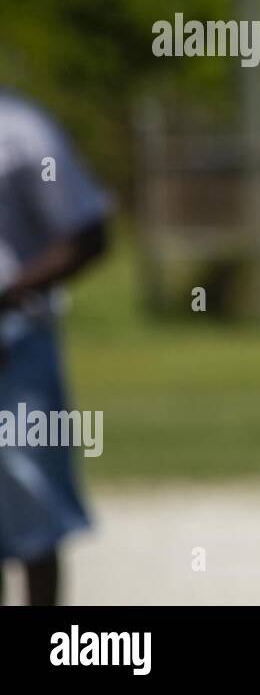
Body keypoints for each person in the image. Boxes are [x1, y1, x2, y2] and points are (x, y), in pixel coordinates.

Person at [0, 89, 111, 605]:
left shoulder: (19, 129)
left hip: (14, 346)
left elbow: (88, 230)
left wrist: (12, 292)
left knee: (32, 507)